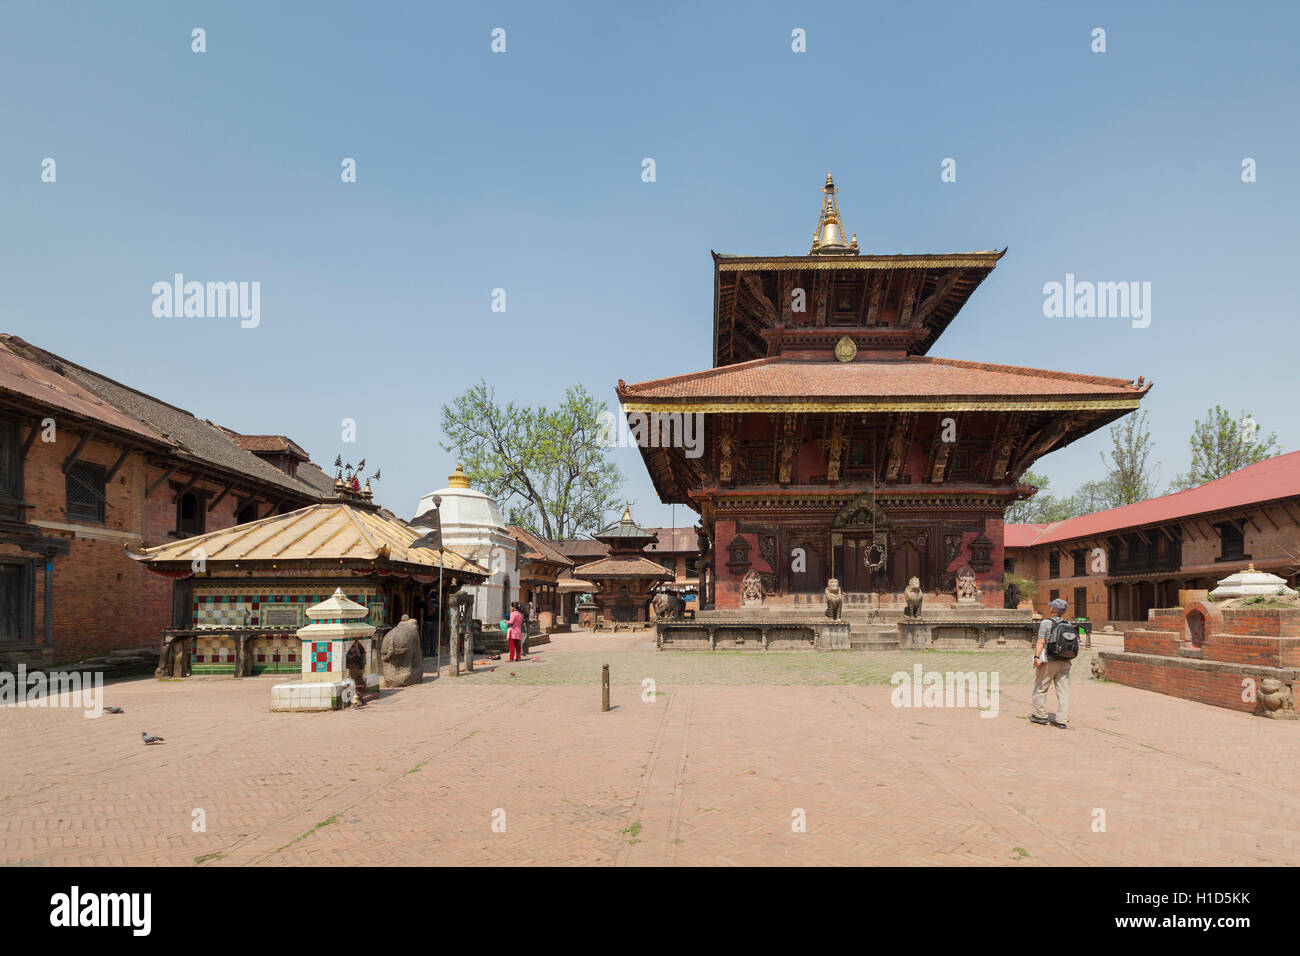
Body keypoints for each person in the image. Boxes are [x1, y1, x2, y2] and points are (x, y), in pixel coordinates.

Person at [1031, 597, 1075, 728]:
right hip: (1066, 661)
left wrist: (1036, 657)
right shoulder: (1068, 624)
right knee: (1063, 691)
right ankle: (1061, 720)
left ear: (1052, 609)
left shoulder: (1046, 622)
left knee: (1041, 687)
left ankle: (1041, 716)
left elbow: (1041, 641)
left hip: (1050, 661)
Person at [345, 637, 368, 706]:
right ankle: (356, 696)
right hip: (352, 667)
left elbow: (362, 655)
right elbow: (348, 657)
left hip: (358, 666)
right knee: (355, 681)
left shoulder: (360, 647)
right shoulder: (350, 647)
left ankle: (359, 696)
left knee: (359, 681)